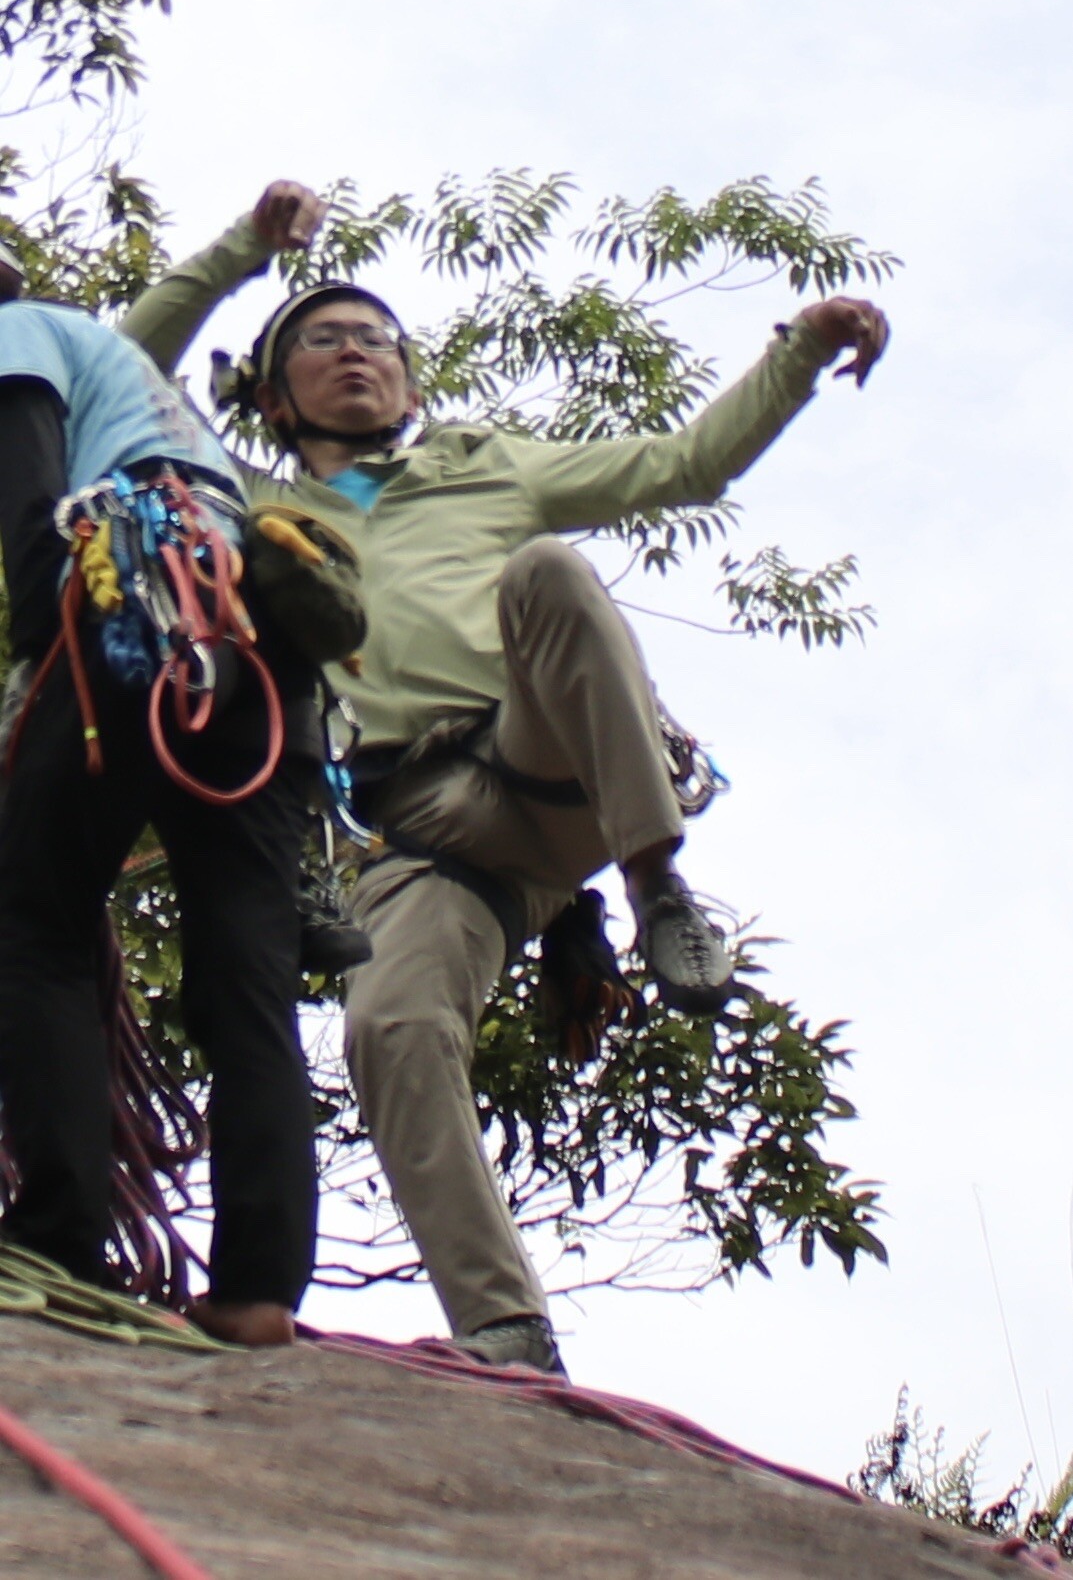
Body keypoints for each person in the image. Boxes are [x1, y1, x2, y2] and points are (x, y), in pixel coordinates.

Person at [122, 181, 889, 1373]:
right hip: (412, 831)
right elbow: (123, 363)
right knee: (390, 1028)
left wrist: (796, 352)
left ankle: (657, 886)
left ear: (412, 380)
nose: (356, 354)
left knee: (547, 572)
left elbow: (685, 463)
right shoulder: (251, 504)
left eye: (377, 338)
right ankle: (505, 1329)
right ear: (274, 392)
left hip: (550, 767)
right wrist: (243, 248)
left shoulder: (486, 466)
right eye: (322, 339)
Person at [0, 281, 329, 1346]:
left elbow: (33, 498)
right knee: (247, 977)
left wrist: (36, 652)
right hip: (256, 640)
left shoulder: (17, 333)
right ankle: (256, 1290)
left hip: (135, 589)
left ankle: (55, 1245)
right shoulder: (129, 367)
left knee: (33, 918)